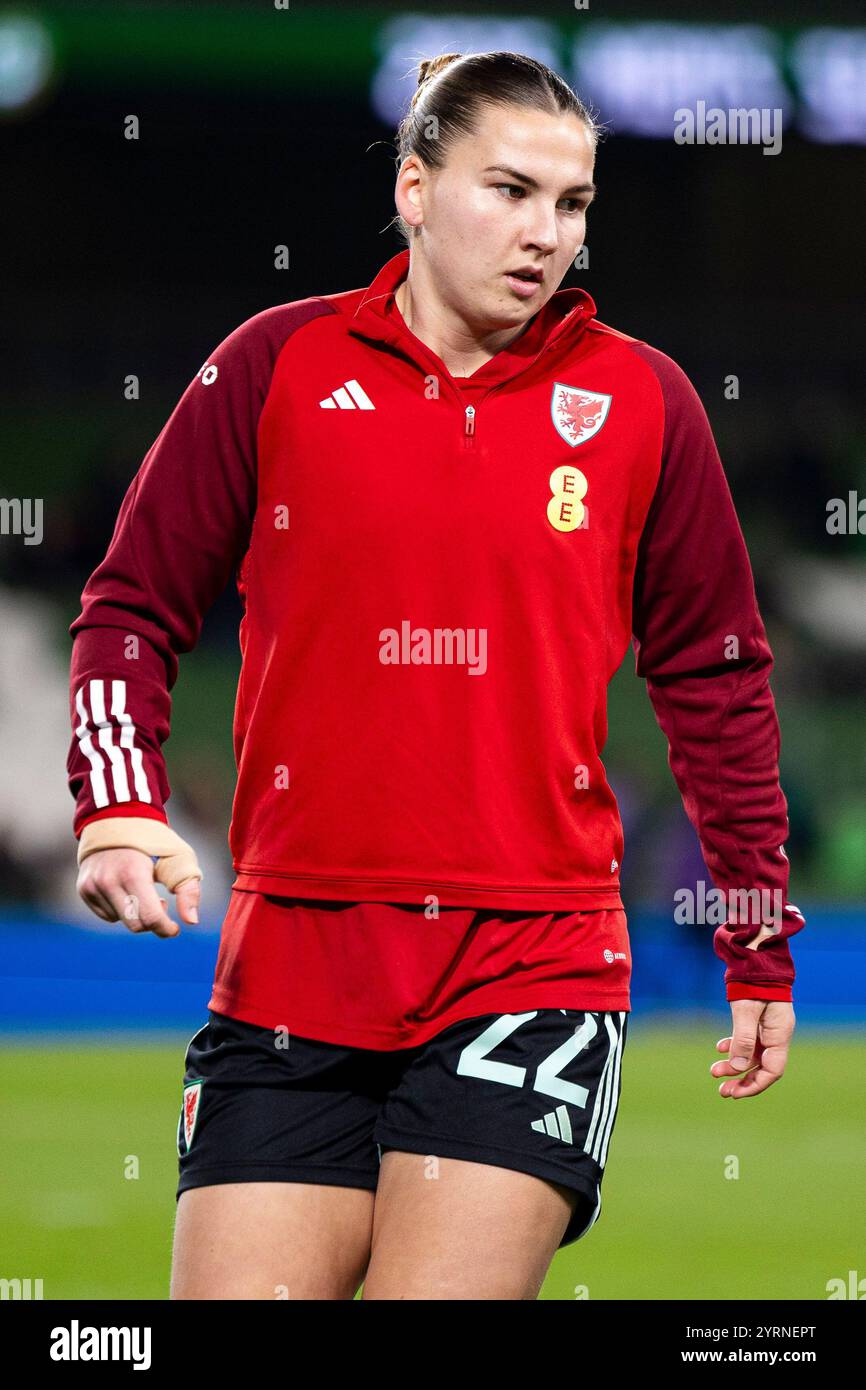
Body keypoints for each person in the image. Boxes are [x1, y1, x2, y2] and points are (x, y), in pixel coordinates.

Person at [68, 50, 805, 1301]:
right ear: (412, 188)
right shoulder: (275, 366)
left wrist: (751, 929)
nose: (543, 236)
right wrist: (118, 804)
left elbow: (713, 675)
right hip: (290, 963)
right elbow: (130, 605)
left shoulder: (640, 401)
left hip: (532, 960)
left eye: (570, 206)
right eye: (508, 191)